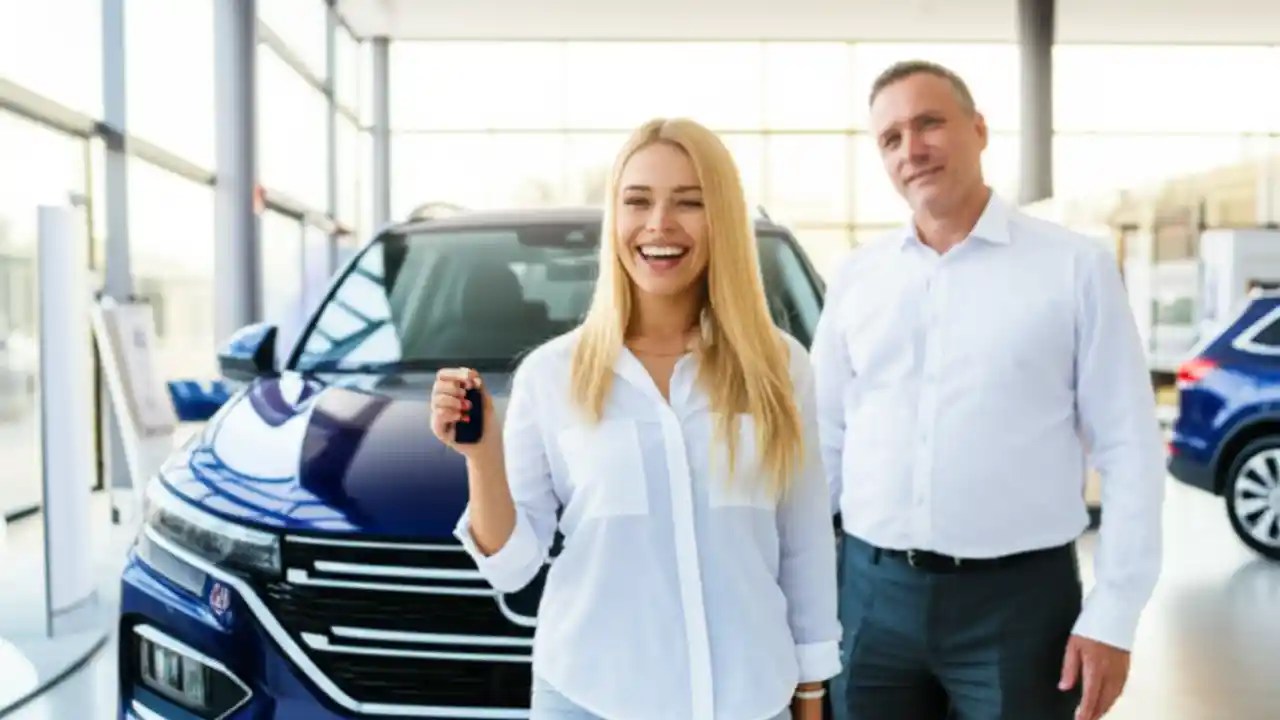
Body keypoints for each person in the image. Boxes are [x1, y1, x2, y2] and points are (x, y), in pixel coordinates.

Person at [430, 117, 842, 720]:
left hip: (751, 699)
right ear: (614, 219)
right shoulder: (552, 376)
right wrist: (481, 454)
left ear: (722, 218)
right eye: (638, 201)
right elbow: (514, 566)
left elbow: (804, 545)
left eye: (689, 202)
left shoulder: (780, 366)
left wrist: (810, 695)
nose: (659, 225)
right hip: (590, 698)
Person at [813, 60, 1165, 720]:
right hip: (869, 595)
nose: (911, 149)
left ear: (978, 129)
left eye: (929, 124)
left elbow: (1129, 448)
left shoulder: (1074, 267)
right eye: (890, 138)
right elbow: (823, 443)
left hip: (1020, 606)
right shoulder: (858, 279)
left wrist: (1114, 613)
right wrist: (805, 603)